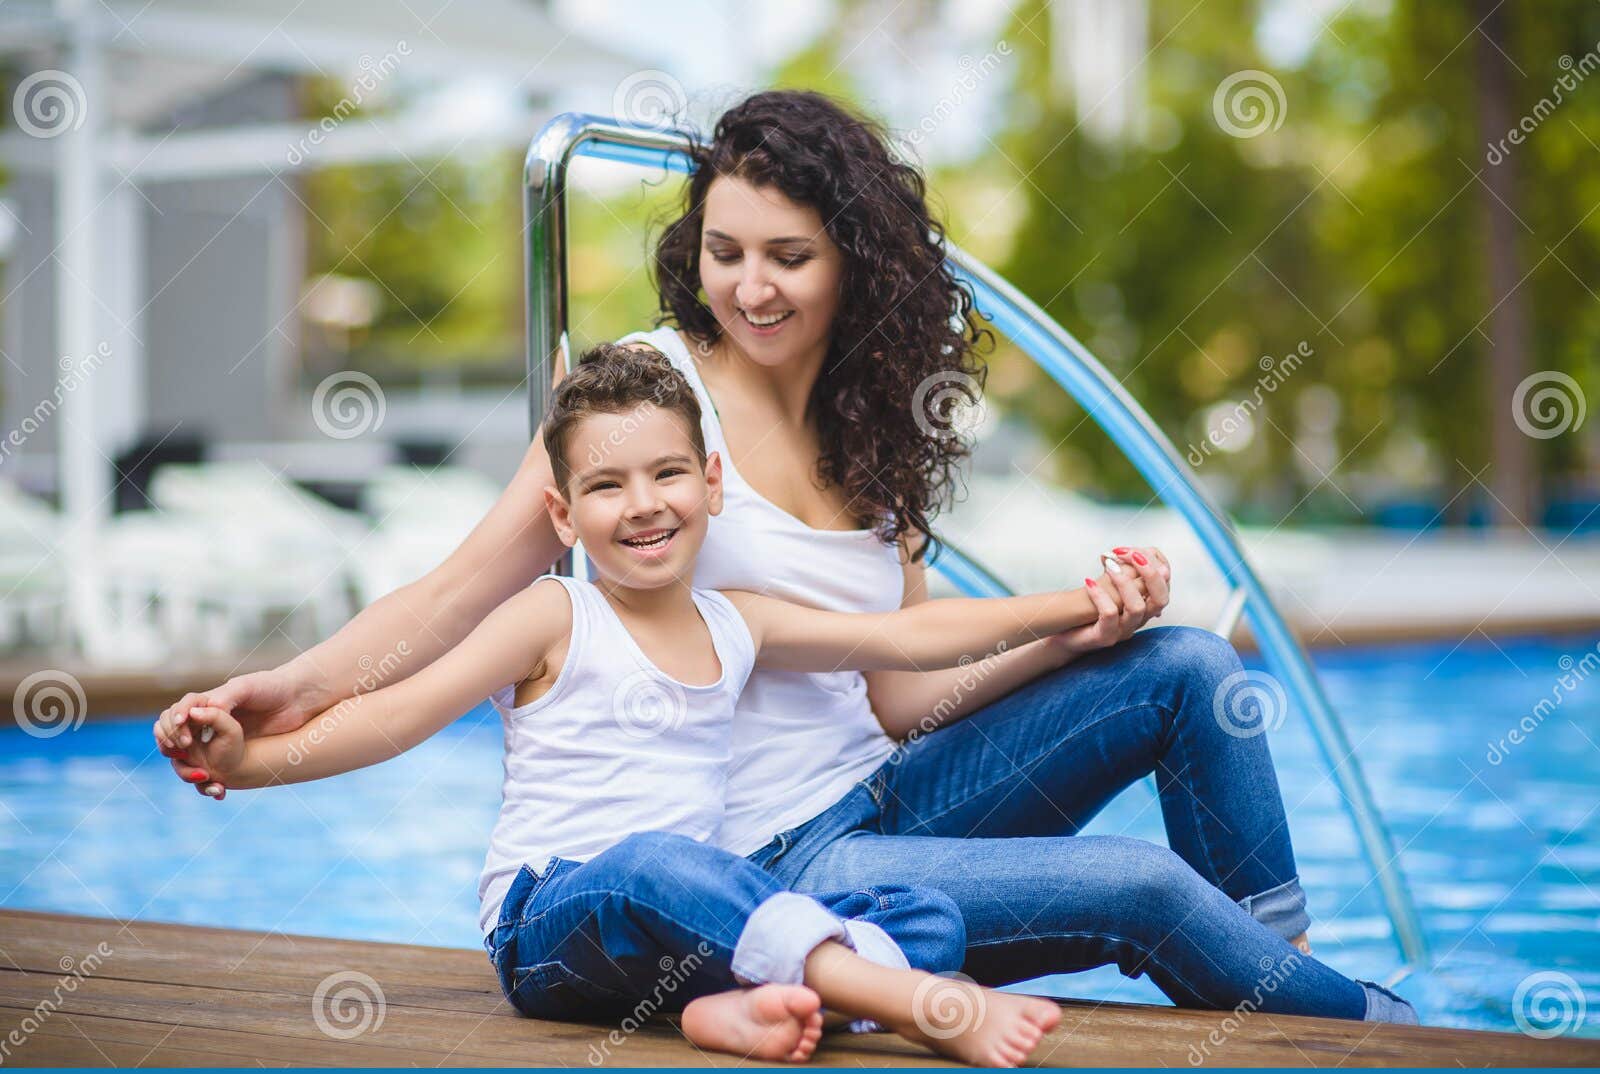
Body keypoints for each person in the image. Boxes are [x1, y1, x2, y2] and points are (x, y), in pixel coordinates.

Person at [157, 89, 1415, 1025]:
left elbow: (903, 698)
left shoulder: (880, 428)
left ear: (852, 259)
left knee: (1186, 667)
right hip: (772, 859)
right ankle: (1370, 1032)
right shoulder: (652, 405)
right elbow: (449, 595)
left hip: (894, 799)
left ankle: (1288, 991)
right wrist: (293, 690)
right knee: (1137, 889)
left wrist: (1068, 634)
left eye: (786, 257)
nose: (748, 288)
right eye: (724, 251)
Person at [178, 343, 1077, 1066]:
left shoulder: (739, 626)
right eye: (606, 486)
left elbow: (909, 641)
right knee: (653, 863)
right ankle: (911, 1004)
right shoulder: (549, 616)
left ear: (712, 484)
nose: (642, 506)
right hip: (553, 924)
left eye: (668, 475)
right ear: (563, 516)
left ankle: (721, 1011)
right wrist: (246, 763)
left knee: (930, 915)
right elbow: (397, 716)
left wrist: (1074, 614)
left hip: (678, 937)